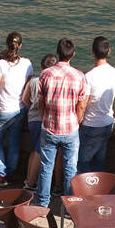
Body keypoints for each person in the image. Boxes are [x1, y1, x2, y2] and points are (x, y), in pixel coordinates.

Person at [32, 38, 89, 209]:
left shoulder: (46, 74)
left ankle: (42, 202)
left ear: (57, 52)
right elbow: (81, 105)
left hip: (49, 127)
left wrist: (44, 119)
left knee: (46, 167)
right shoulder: (80, 76)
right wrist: (77, 121)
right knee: (70, 169)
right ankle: (70, 204)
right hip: (70, 128)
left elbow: (40, 103)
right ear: (73, 54)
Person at [0, 32, 33, 186]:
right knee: (14, 142)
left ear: (6, 43)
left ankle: (1, 174)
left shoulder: (1, 63)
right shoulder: (27, 63)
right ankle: (11, 172)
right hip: (19, 109)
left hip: (2, 109)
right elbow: (28, 87)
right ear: (20, 45)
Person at [78, 36, 115, 174]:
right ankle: (99, 189)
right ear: (109, 52)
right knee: (99, 159)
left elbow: (82, 104)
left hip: (90, 124)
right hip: (107, 123)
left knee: (82, 161)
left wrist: (78, 121)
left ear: (92, 52)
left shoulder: (88, 77)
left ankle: (87, 191)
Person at [21, 53, 55, 192]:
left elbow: (24, 99)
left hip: (31, 119)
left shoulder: (33, 81)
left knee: (34, 150)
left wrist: (31, 108)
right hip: (42, 120)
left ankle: (28, 179)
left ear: (41, 66)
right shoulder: (50, 81)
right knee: (38, 151)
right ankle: (30, 183)